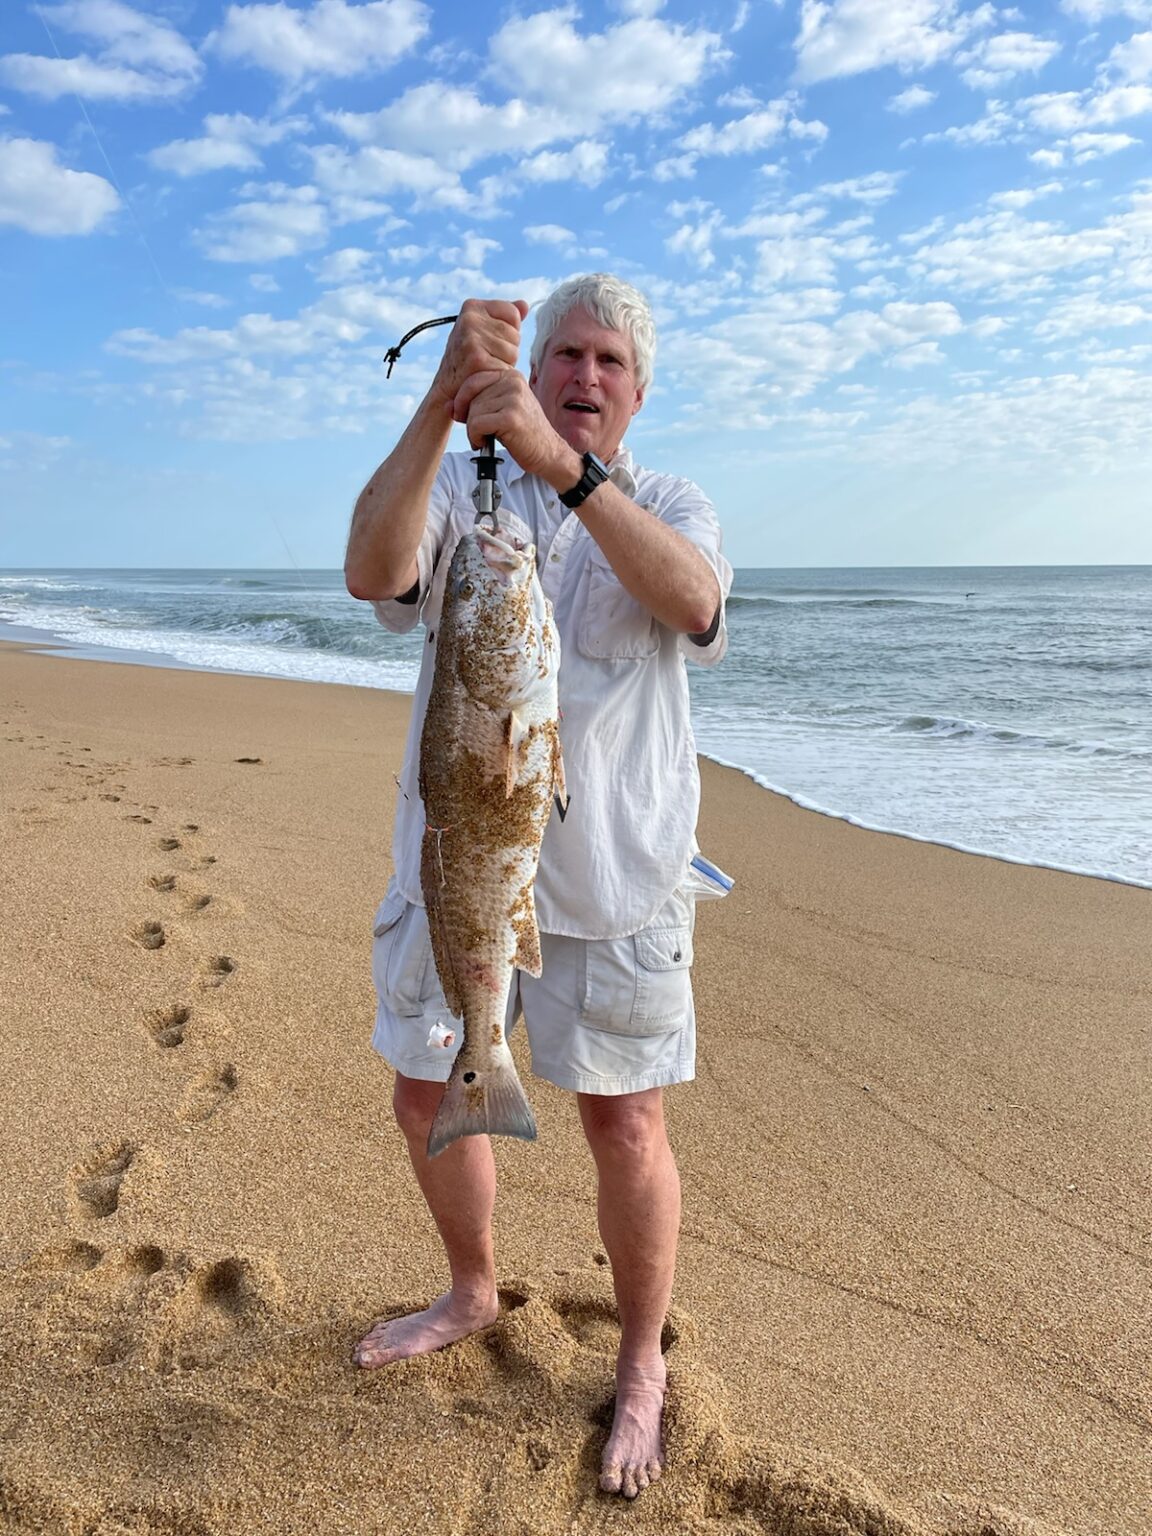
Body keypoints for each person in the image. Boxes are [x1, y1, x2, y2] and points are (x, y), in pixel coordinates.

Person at [343, 273, 732, 1500]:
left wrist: (564, 471)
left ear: (639, 388)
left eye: (611, 361)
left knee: (625, 1121)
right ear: (534, 366)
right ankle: (471, 1287)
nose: (584, 375)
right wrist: (447, 408)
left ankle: (637, 1363)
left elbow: (695, 601)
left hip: (618, 873)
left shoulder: (668, 501)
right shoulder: (464, 486)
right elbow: (371, 573)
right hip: (461, 851)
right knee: (427, 1089)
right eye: (566, 352)